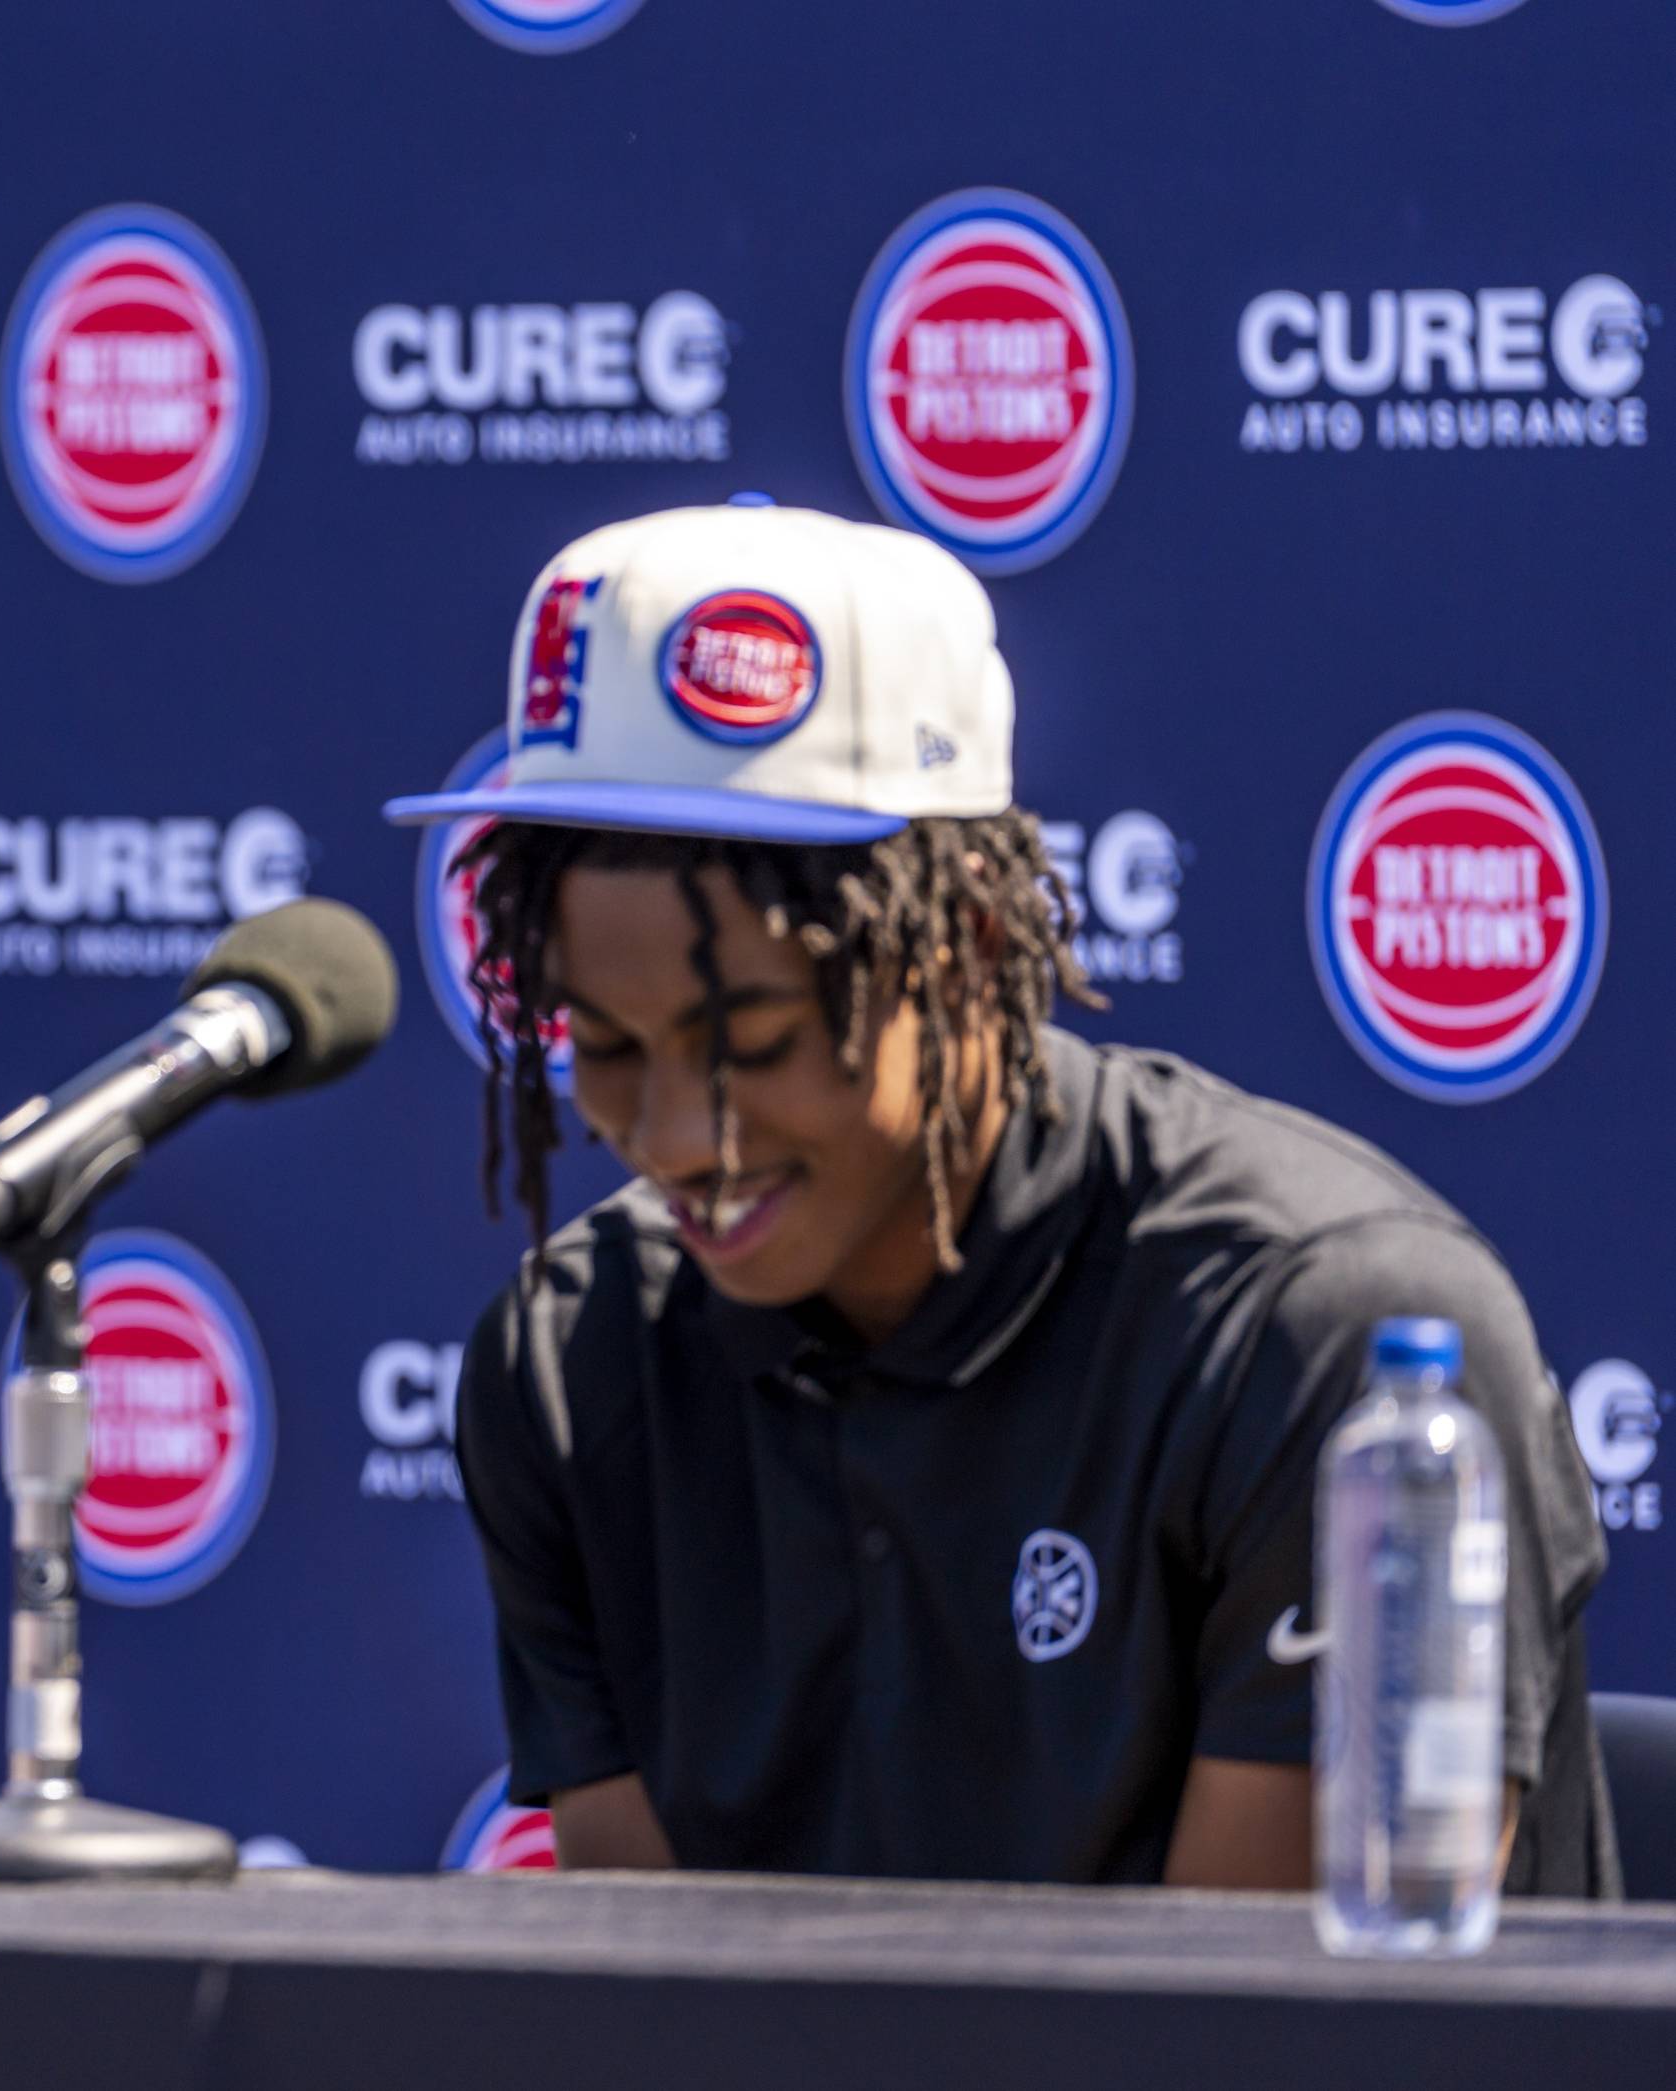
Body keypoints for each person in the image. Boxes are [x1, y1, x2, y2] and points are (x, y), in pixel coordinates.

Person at [385, 500, 1610, 1891]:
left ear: (965, 944)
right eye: (600, 1043)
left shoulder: (1322, 1334)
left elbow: (1276, 2035)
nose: (673, 1137)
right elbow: (663, 1999)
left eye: (756, 1041)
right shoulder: (564, 1365)